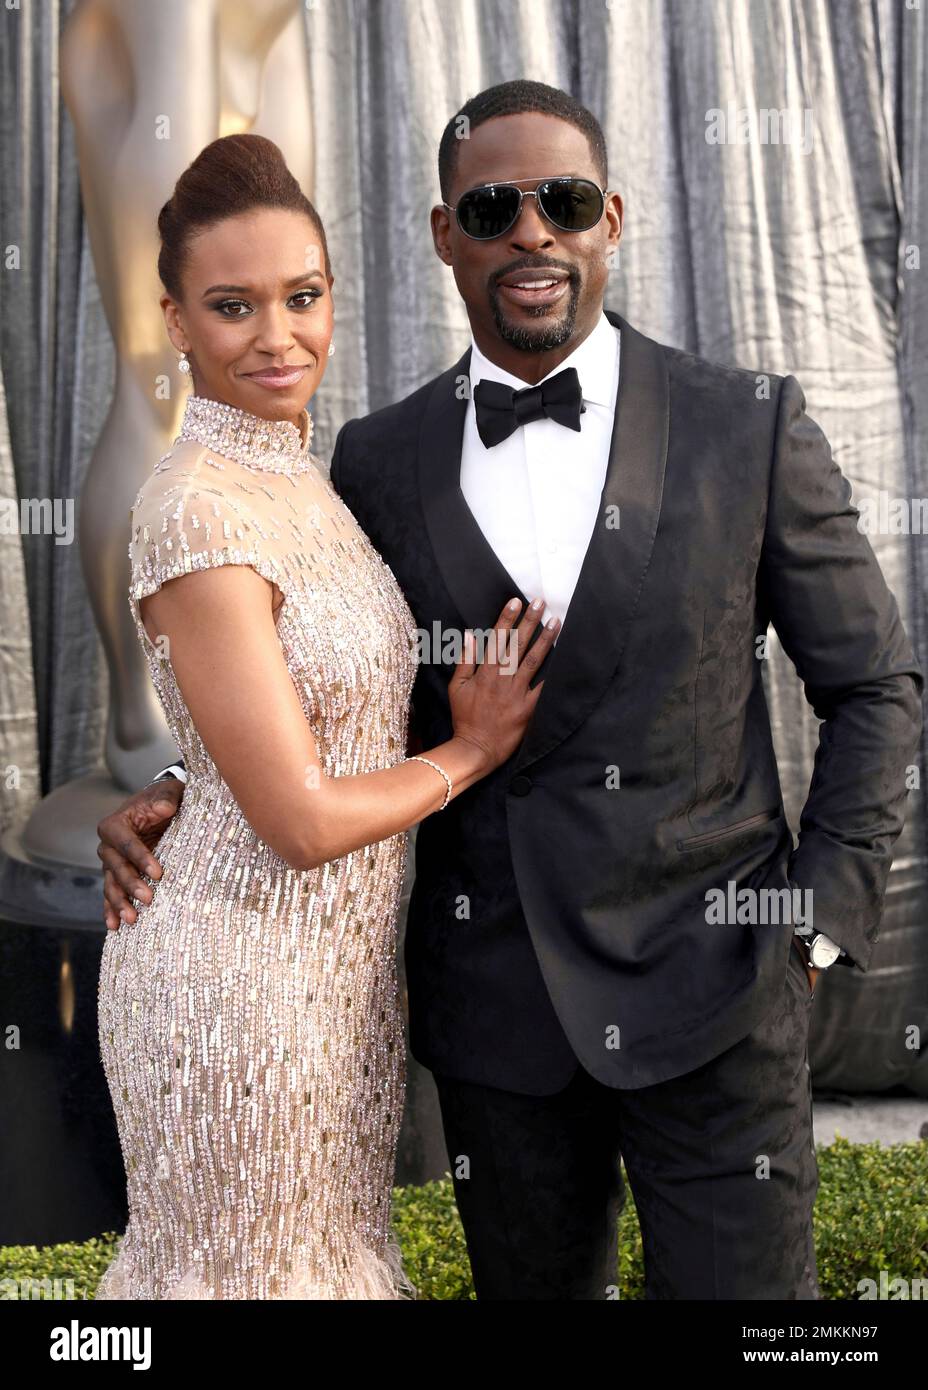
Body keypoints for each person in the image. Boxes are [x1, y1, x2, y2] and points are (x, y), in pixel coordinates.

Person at [99, 82, 924, 1300]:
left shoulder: (740, 427)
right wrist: (191, 779)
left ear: (612, 220)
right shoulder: (374, 458)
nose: (532, 232)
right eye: (493, 207)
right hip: (496, 1027)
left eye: (565, 202)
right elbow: (330, 678)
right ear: (444, 235)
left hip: (716, 1004)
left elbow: (876, 687)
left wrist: (810, 926)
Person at [93, 131, 560, 1301]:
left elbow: (285, 715)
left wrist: (187, 781)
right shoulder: (197, 508)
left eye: (301, 297)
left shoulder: (305, 472)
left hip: (336, 981)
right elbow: (298, 817)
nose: (276, 336)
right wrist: (469, 749)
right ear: (174, 320)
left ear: (332, 295)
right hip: (236, 989)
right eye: (232, 305)